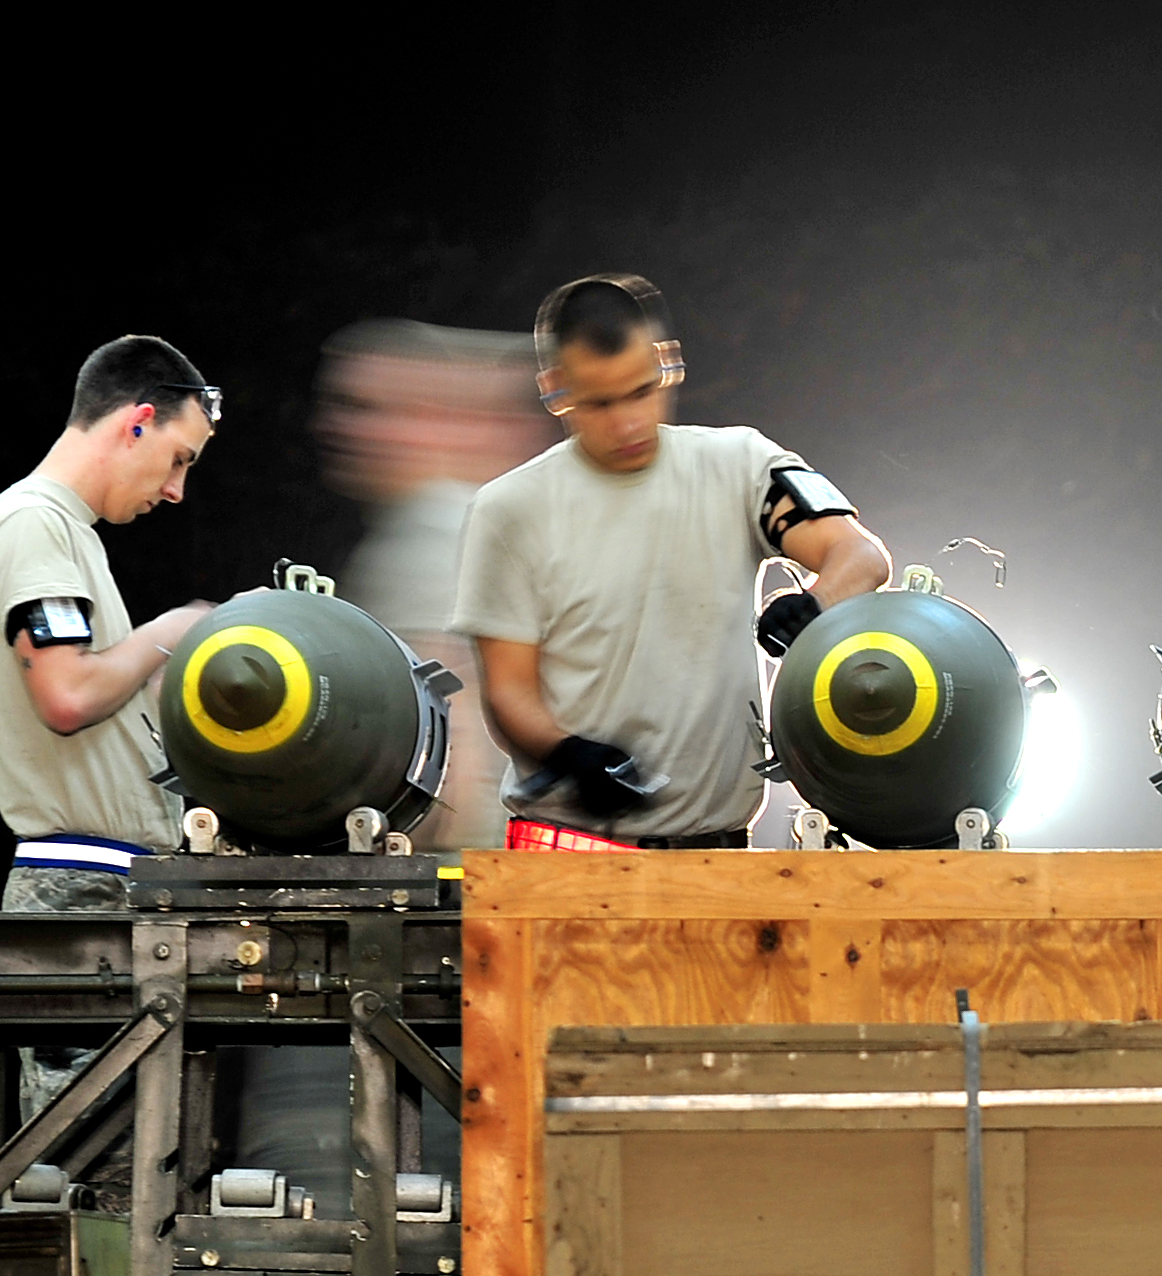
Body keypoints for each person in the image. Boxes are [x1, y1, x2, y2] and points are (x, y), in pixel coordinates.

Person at [449, 275, 892, 848]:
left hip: (717, 846)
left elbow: (862, 555)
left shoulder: (740, 465)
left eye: (641, 391)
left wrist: (816, 604)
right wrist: (567, 753)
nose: (628, 423)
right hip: (565, 845)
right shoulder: (509, 510)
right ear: (555, 390)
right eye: (600, 403)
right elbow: (508, 690)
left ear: (667, 364)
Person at [0, 336, 224, 913]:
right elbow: (69, 696)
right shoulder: (32, 522)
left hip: (107, 878)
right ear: (137, 422)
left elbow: (96, 700)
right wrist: (177, 628)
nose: (176, 490)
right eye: (179, 459)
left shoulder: (65, 531)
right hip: (80, 885)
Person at [315, 319, 555, 850]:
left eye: (370, 409)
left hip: (465, 866)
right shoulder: (504, 527)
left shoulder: (436, 528)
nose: (341, 429)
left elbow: (448, 744)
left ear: (443, 417)